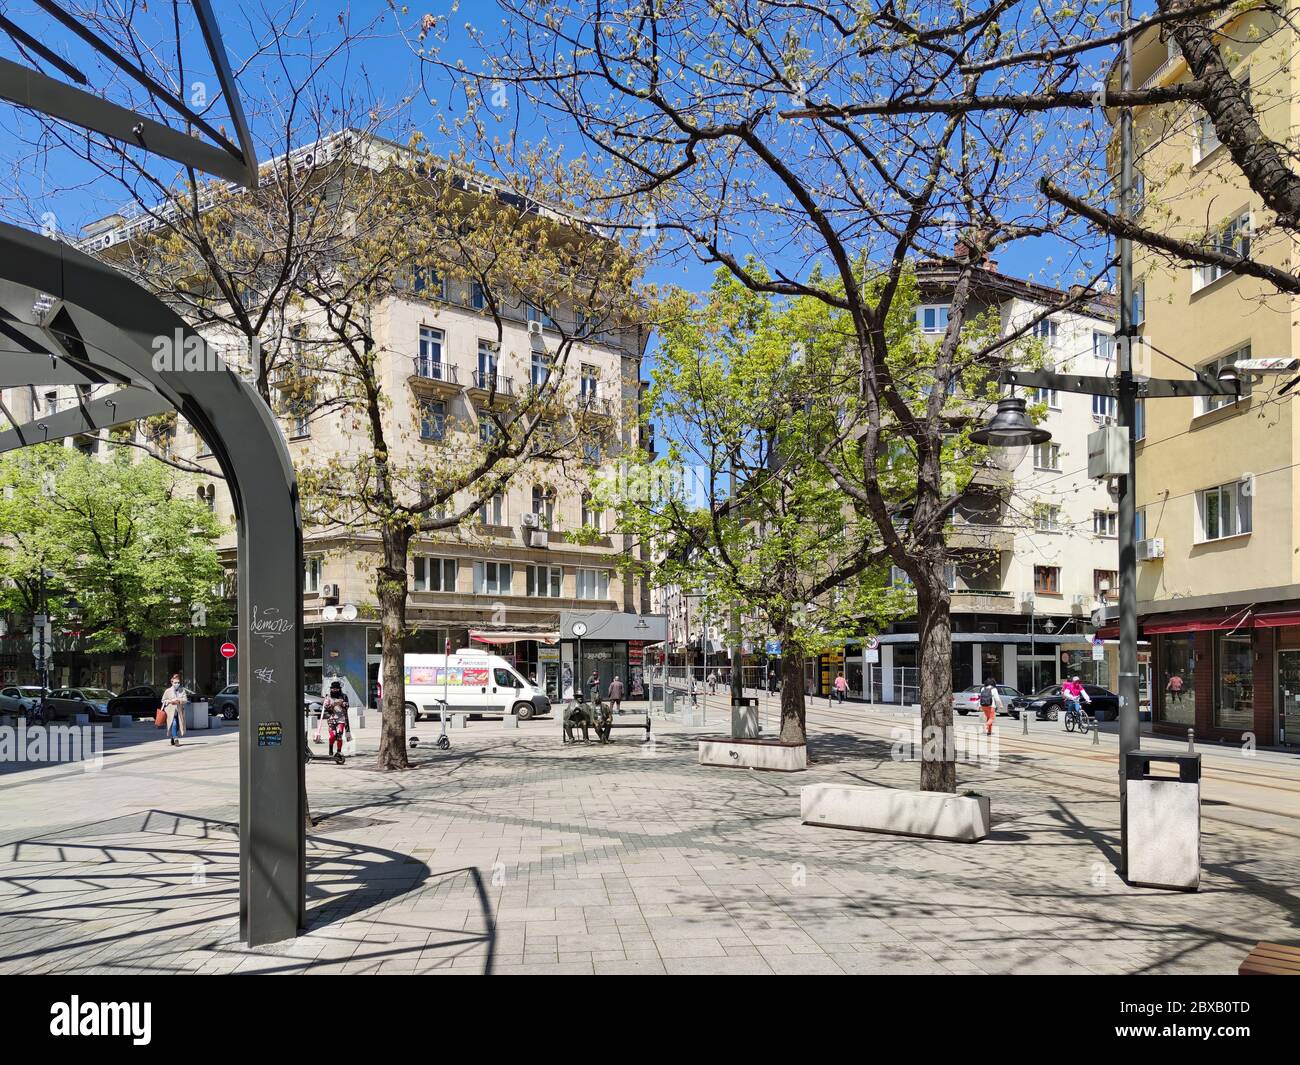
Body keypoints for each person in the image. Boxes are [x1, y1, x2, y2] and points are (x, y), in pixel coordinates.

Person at [323, 681, 352, 759]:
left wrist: (342, 703)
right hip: (331, 718)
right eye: (333, 689)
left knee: (339, 735)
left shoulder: (344, 696)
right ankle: (330, 749)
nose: (334, 690)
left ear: (339, 689)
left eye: (336, 689)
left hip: (341, 719)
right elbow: (325, 708)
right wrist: (332, 705)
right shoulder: (328, 697)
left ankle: (339, 751)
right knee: (332, 736)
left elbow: (347, 706)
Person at [161, 673, 188, 746]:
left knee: (178, 726)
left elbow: (185, 700)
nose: (177, 684)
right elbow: (163, 700)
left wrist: (179, 701)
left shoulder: (182, 690)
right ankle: (176, 739)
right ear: (172, 682)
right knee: (174, 723)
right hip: (170, 711)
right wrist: (171, 701)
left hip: (179, 711)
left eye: (178, 682)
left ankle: (173, 737)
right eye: (175, 682)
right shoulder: (168, 691)